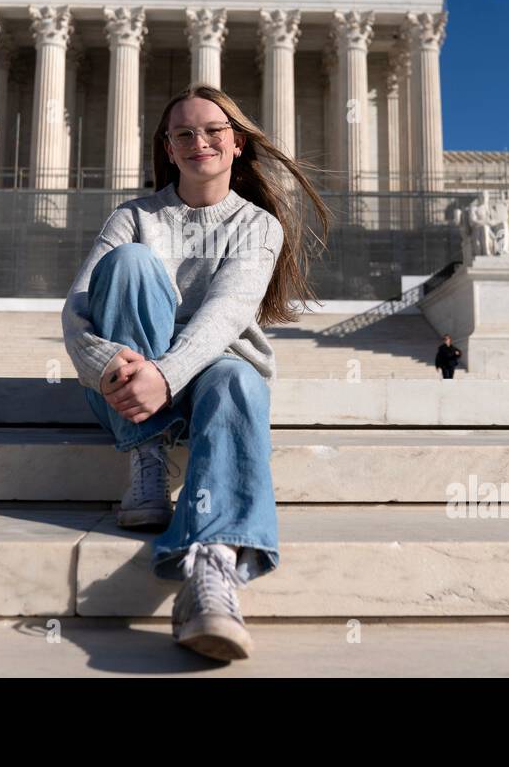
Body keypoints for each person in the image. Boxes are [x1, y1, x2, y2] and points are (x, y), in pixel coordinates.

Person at [61, 83, 330, 661]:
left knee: (237, 377)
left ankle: (214, 568)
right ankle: (146, 454)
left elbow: (224, 316)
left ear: (237, 145)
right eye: (183, 133)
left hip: (206, 378)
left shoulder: (257, 225)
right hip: (124, 391)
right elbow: (77, 310)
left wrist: (167, 373)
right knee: (129, 264)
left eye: (212, 130)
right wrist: (108, 362)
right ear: (168, 147)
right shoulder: (132, 216)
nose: (198, 141)